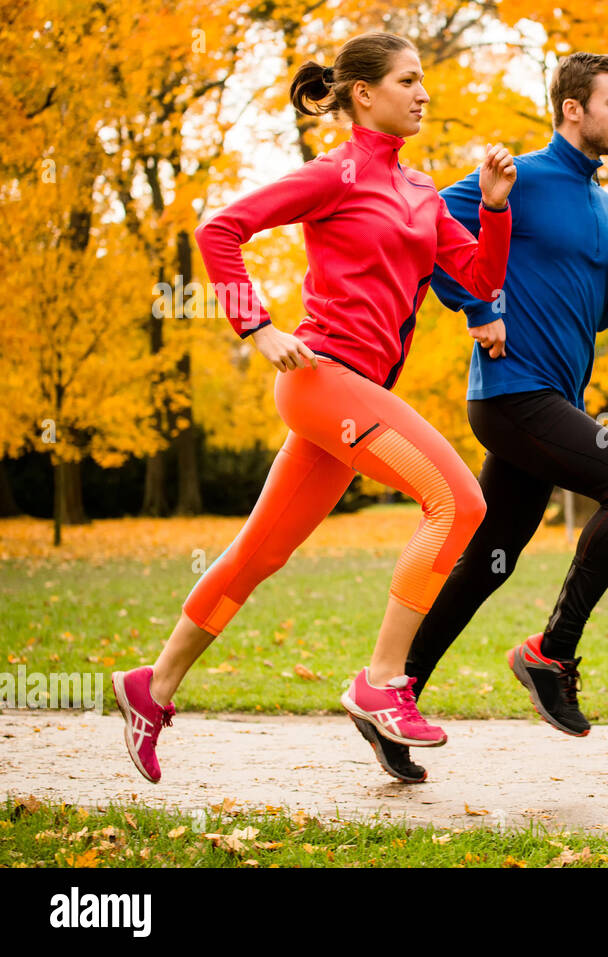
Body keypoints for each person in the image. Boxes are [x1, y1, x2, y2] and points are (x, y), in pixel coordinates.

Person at [110, 32, 517, 784]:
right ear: (363, 94)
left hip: (357, 397)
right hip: (319, 378)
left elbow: (481, 279)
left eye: (423, 81)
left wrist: (494, 208)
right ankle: (382, 681)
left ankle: (154, 684)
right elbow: (219, 230)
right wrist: (257, 327)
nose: (423, 93)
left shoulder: (423, 192)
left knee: (261, 551)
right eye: (408, 80)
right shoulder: (334, 174)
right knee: (458, 500)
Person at [354, 52, 608, 782]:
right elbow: (429, 232)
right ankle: (551, 652)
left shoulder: (603, 204)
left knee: (488, 561)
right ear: (572, 110)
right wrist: (479, 307)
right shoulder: (520, 177)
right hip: (512, 395)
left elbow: (599, 315)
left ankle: (392, 695)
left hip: (553, 397)